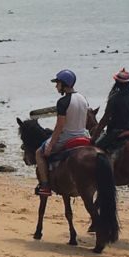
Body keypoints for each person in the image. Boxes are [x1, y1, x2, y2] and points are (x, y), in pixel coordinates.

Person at [35, 69, 90, 197]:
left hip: (67, 137)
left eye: (57, 83)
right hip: (84, 135)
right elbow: (86, 119)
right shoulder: (83, 99)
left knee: (39, 153)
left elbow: (60, 126)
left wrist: (50, 144)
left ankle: (45, 186)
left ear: (64, 84)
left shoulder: (63, 102)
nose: (56, 86)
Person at [92, 68, 129, 151]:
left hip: (116, 132)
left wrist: (94, 137)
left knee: (96, 149)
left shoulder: (114, 98)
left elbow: (105, 119)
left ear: (117, 83)